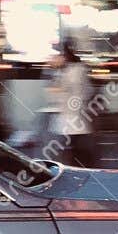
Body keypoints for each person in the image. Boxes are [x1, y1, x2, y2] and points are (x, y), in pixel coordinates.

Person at [52, 37, 94, 167]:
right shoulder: (77, 69)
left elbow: (61, 89)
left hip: (71, 115)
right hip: (75, 114)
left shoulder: (70, 71)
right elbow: (87, 90)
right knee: (73, 145)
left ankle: (74, 167)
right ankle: (77, 166)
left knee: (72, 147)